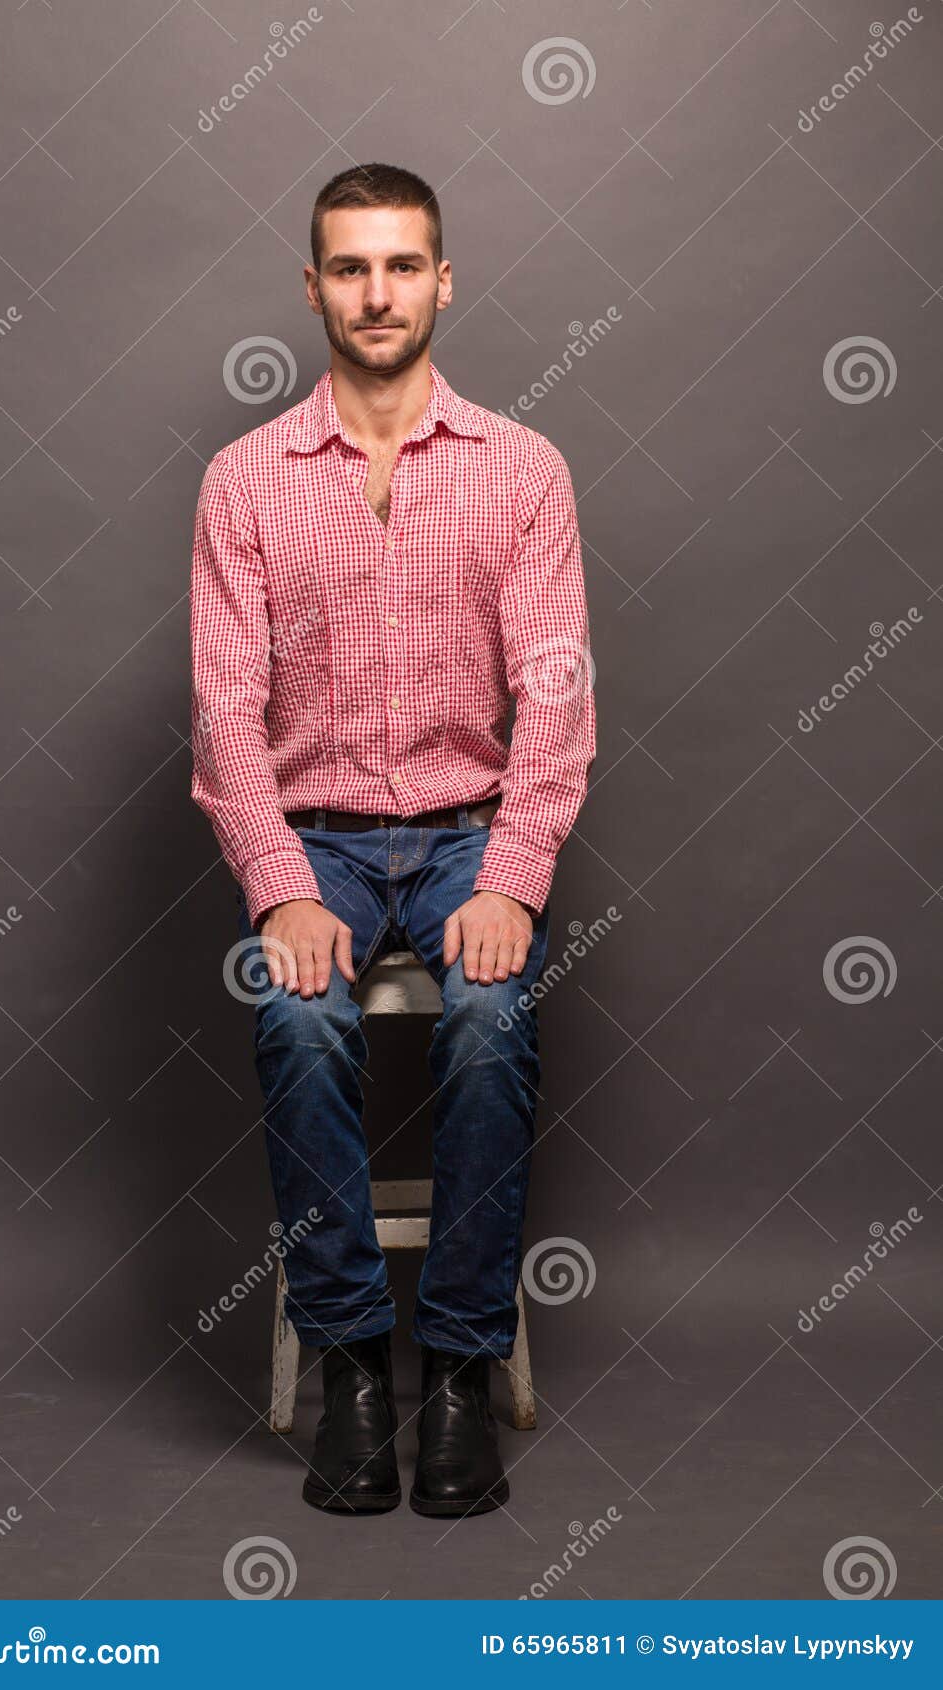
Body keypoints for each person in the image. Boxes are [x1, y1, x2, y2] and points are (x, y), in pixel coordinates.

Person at [190, 161, 596, 1517]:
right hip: (319, 844)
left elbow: (557, 694)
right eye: (351, 268)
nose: (377, 292)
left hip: (466, 832)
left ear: (442, 279)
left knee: (492, 1012)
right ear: (313, 287)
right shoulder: (244, 482)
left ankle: (465, 1367)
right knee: (297, 1017)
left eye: (402, 264)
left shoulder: (521, 470)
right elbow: (223, 714)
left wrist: (521, 876)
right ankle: (357, 1362)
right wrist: (276, 887)